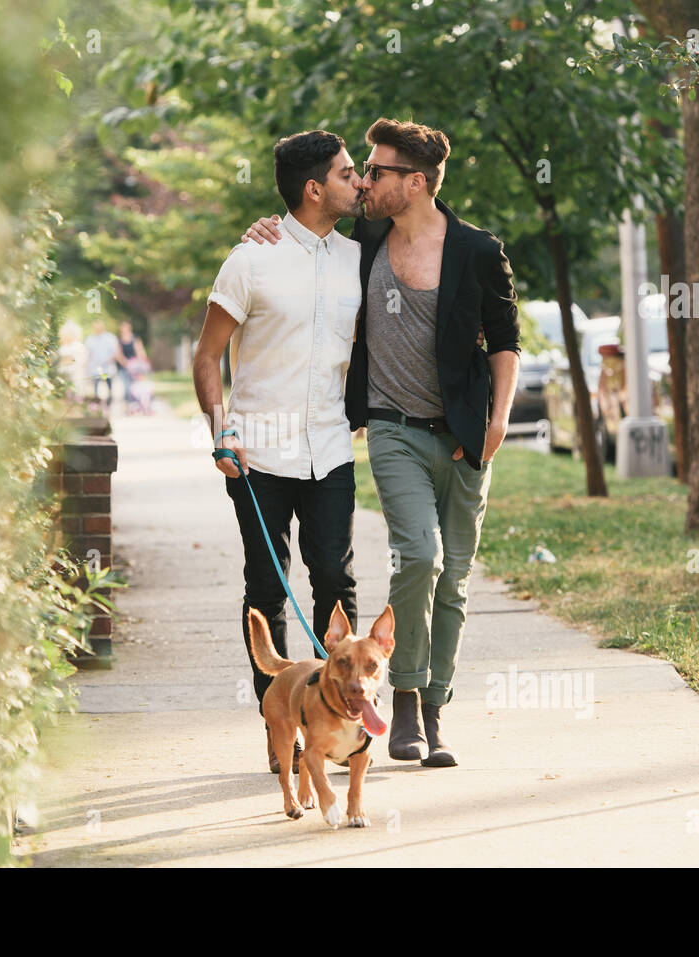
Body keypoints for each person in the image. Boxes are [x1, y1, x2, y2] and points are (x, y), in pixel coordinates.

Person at [242, 118, 521, 768]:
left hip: (463, 435)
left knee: (453, 576)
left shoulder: (478, 250)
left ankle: (433, 711)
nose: (365, 181)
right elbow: (301, 235)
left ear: (416, 182)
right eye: (360, 170)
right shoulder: (362, 239)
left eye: (379, 171)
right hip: (391, 428)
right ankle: (399, 699)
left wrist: (498, 420)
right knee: (418, 557)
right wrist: (263, 229)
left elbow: (505, 338)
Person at [193, 129, 366, 774]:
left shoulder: (359, 257)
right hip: (257, 452)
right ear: (314, 189)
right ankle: (281, 730)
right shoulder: (251, 260)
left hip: (330, 449)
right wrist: (221, 429)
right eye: (350, 174)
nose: (362, 182)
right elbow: (208, 355)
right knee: (266, 586)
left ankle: (334, 722)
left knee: (335, 580)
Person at [83, 320, 122, 411]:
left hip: (108, 368)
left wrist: (109, 360)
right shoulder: (90, 339)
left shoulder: (110, 338)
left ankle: (108, 407)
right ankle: (98, 408)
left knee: (110, 390)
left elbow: (115, 352)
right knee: (96, 391)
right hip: (95, 369)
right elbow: (87, 354)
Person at [117, 321, 148, 409]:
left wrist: (142, 364)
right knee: (126, 388)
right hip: (124, 368)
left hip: (135, 367)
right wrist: (126, 364)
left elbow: (140, 351)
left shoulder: (135, 338)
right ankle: (127, 406)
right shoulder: (119, 340)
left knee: (136, 388)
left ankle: (136, 406)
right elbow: (118, 354)